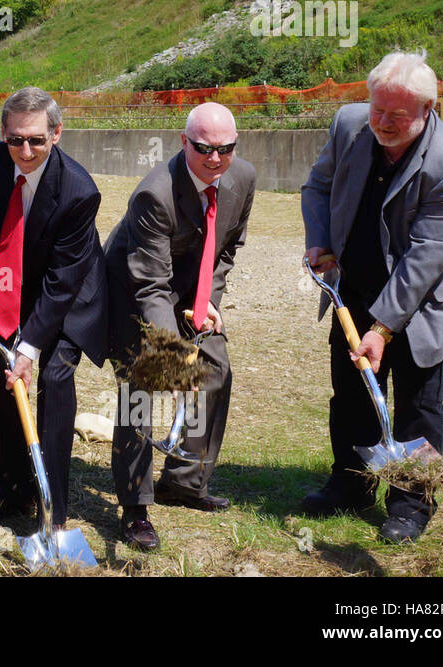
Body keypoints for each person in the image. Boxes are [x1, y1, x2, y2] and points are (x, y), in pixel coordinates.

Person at [301, 52, 443, 544]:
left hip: (421, 302)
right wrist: (319, 242)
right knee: (352, 393)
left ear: (427, 109)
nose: (382, 123)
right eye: (377, 110)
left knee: (418, 405)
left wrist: (381, 329)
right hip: (351, 288)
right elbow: (317, 186)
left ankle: (411, 502)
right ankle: (352, 484)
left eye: (396, 117)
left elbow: (427, 258)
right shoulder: (350, 124)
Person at [0, 87, 108, 527]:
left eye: (37, 140)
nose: (25, 150)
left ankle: (52, 508)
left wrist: (30, 346)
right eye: (16, 139)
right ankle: (11, 493)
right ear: (3, 133)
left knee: (54, 380)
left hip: (69, 293)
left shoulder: (79, 192)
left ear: (56, 134)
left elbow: (63, 282)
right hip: (8, 287)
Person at [105, 102, 255, 551]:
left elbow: (226, 247)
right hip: (133, 291)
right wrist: (173, 357)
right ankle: (134, 509)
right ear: (183, 142)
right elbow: (151, 284)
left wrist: (208, 299)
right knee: (141, 390)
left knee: (215, 368)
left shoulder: (243, 177)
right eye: (204, 148)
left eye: (225, 149)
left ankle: (185, 481)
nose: (215, 159)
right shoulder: (155, 193)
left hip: (191, 290)